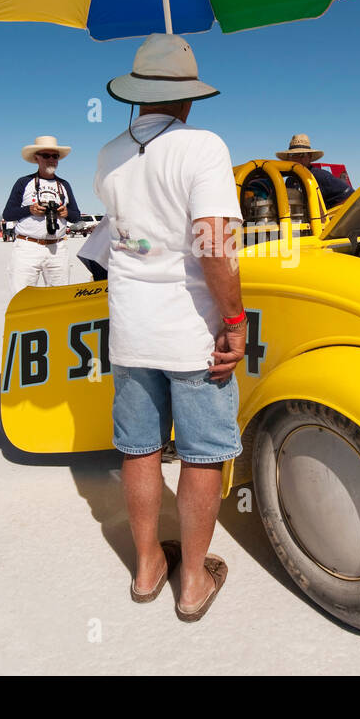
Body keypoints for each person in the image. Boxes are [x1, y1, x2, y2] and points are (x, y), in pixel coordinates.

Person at [97, 34, 244, 621]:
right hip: (190, 331)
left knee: (139, 449)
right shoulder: (202, 146)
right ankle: (191, 583)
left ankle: (147, 567)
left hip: (130, 326)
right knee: (202, 454)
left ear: (137, 95)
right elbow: (214, 243)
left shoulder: (108, 153)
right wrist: (233, 321)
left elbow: (120, 237)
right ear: (188, 98)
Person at [3, 136, 83, 293]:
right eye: (46, 156)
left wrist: (66, 213)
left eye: (55, 156)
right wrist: (30, 209)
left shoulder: (64, 185)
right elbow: (8, 213)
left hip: (57, 248)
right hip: (28, 247)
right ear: (36, 158)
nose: (51, 160)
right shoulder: (24, 182)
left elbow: (76, 216)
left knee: (59, 297)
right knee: (22, 297)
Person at [275, 134, 353, 207]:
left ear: (310, 157)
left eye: (302, 155)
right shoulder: (290, 180)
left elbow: (351, 197)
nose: (297, 158)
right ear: (288, 158)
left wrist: (329, 216)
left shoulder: (320, 176)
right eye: (293, 155)